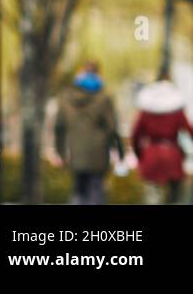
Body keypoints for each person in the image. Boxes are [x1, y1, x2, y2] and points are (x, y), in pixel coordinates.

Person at [52, 60, 123, 205]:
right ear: (98, 74)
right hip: (99, 154)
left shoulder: (66, 98)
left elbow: (59, 127)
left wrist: (60, 152)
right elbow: (112, 128)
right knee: (96, 190)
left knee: (78, 189)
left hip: (76, 153)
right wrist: (119, 151)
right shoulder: (104, 98)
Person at [130, 74, 193, 204]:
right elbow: (189, 130)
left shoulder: (147, 110)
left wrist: (140, 154)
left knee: (152, 198)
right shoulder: (176, 109)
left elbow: (135, 135)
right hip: (173, 157)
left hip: (151, 156)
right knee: (175, 199)